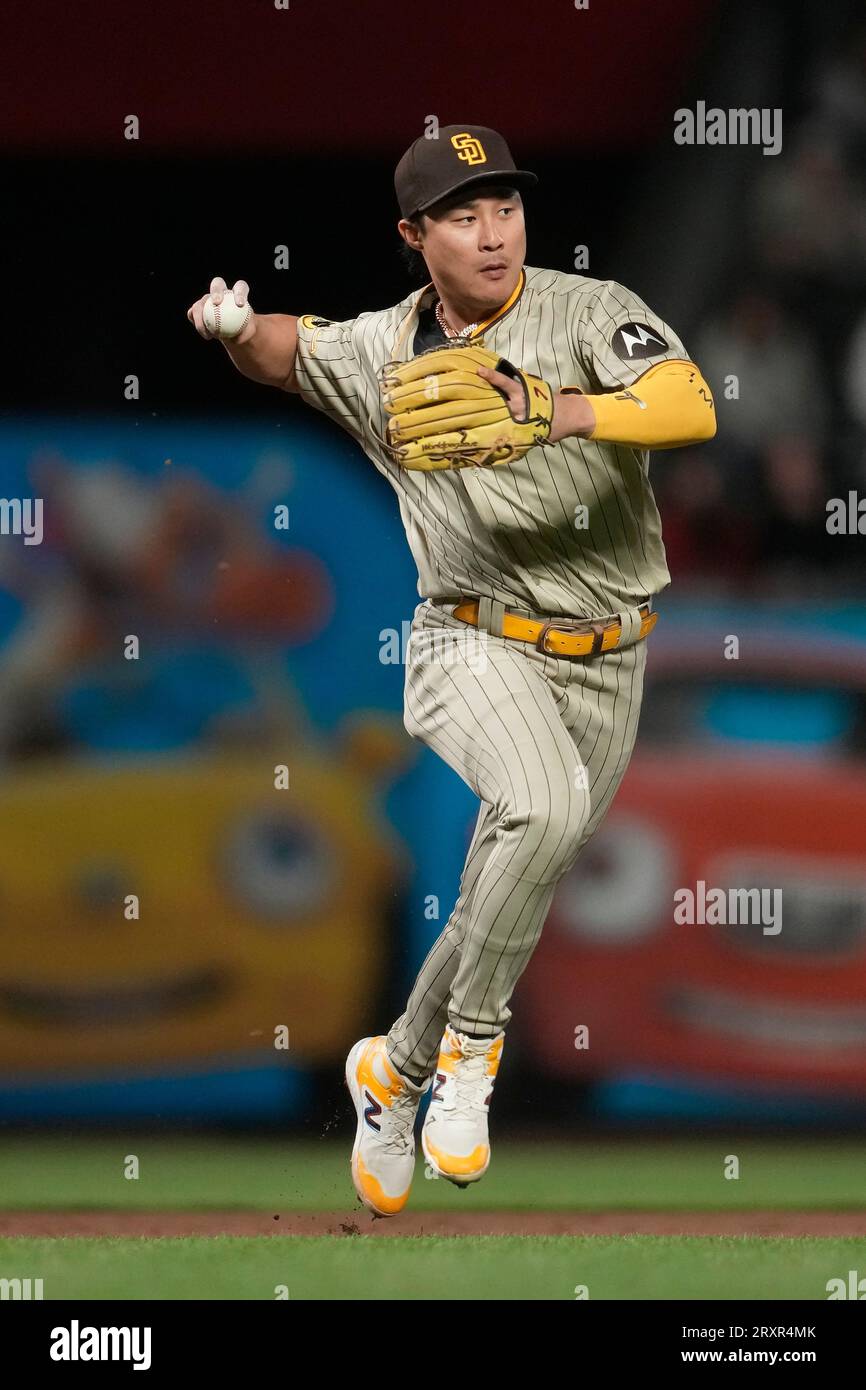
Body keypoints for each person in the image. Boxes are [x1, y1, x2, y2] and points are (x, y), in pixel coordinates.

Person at [187, 123, 716, 1218]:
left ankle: (393, 1070)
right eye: (462, 216)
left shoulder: (580, 310)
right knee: (542, 802)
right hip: (466, 639)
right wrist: (235, 328)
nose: (491, 233)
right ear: (413, 235)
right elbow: (290, 349)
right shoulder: (382, 348)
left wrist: (551, 407)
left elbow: (689, 404)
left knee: (506, 877)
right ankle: (471, 1050)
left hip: (609, 655)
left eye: (505, 207)